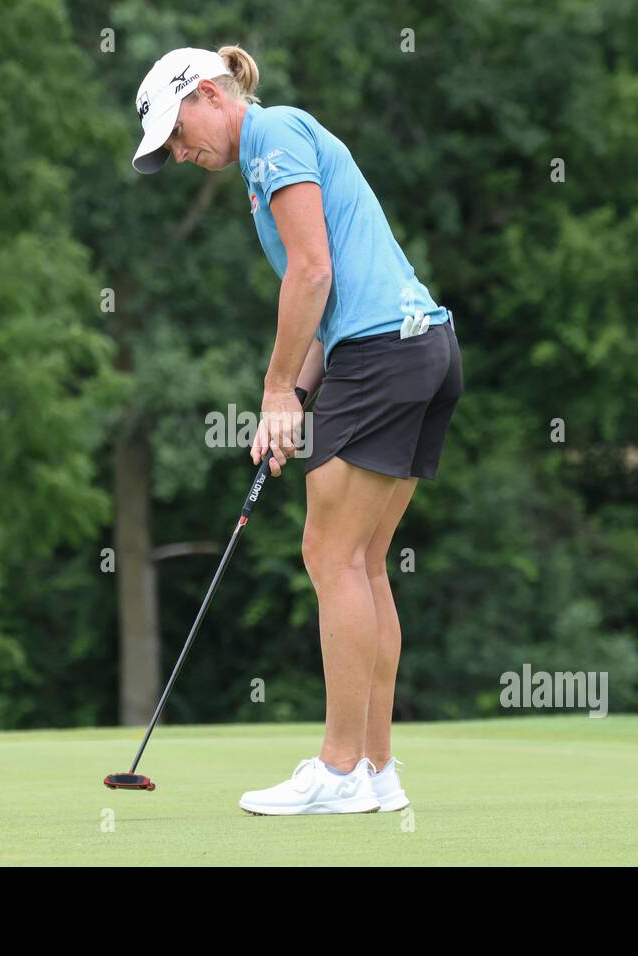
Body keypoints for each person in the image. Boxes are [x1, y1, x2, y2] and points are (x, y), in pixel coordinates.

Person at [132, 45, 463, 815]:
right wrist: (295, 398)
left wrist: (279, 388)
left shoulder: (272, 135)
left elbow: (310, 272)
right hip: (422, 348)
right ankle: (378, 772)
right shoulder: (270, 155)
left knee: (329, 554)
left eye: (178, 134)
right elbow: (330, 289)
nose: (180, 154)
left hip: (383, 354)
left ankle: (339, 769)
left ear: (210, 94)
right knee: (366, 562)